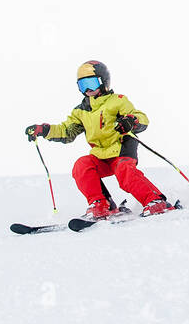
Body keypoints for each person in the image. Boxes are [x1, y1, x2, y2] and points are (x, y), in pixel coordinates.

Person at [25, 60, 179, 218]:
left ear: (103, 82)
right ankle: (101, 204)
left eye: (92, 83)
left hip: (121, 149)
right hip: (101, 155)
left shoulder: (117, 101)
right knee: (82, 165)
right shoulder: (81, 111)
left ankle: (155, 201)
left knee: (124, 171)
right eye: (83, 85)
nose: (88, 89)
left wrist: (131, 121)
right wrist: (44, 130)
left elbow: (142, 118)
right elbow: (66, 131)